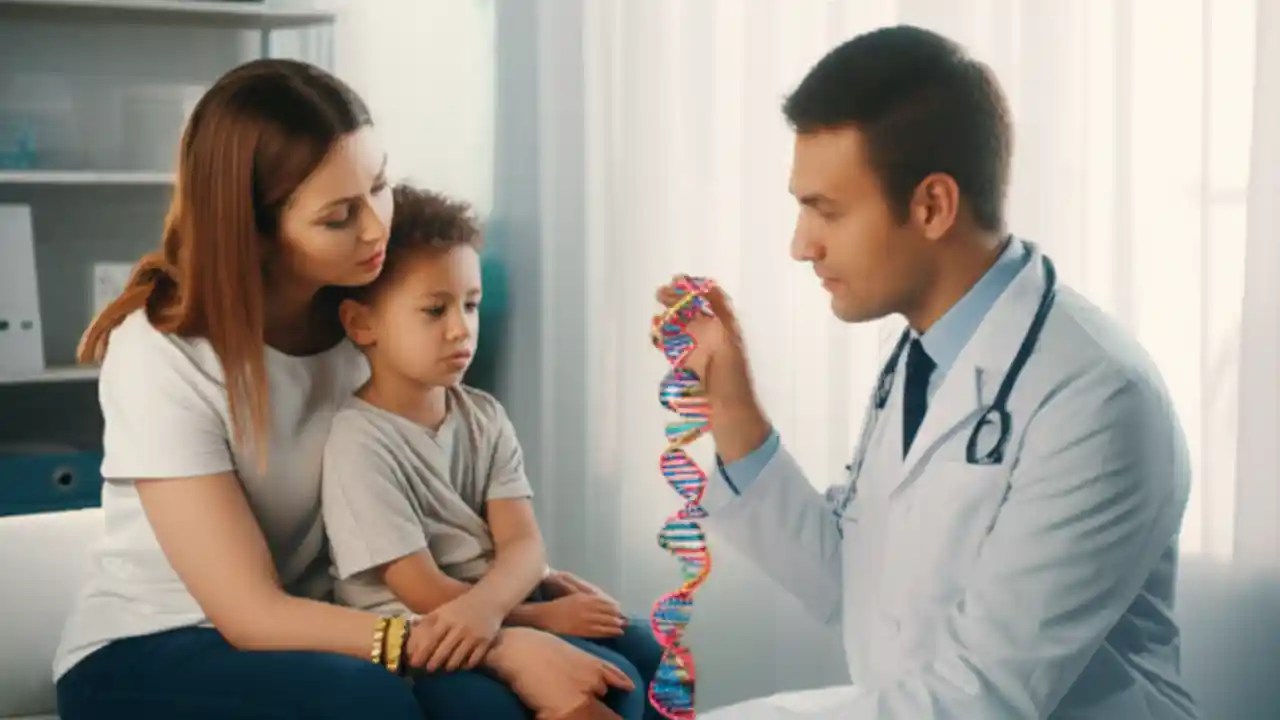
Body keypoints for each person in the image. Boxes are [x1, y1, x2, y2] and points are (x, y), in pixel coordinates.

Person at [52, 58, 634, 720]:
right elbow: (251, 614)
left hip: (327, 621)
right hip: (154, 646)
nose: (376, 228)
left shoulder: (362, 314)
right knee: (368, 703)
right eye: (339, 217)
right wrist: (499, 642)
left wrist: (516, 598)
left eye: (380, 186)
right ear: (257, 233)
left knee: (622, 654)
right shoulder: (163, 354)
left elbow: (442, 492)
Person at [658, 26, 1200, 720]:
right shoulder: (925, 358)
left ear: (933, 206)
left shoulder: (1097, 396)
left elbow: (978, 698)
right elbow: (857, 586)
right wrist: (731, 408)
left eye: (826, 211)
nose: (801, 246)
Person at [320, 183, 664, 720]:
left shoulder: (483, 416)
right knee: (611, 691)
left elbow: (523, 543)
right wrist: (544, 620)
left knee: (648, 650)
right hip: (427, 635)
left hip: (494, 607)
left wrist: (513, 603)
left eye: (471, 305)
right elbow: (419, 588)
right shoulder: (357, 444)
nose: (462, 328)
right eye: (435, 311)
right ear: (362, 323)